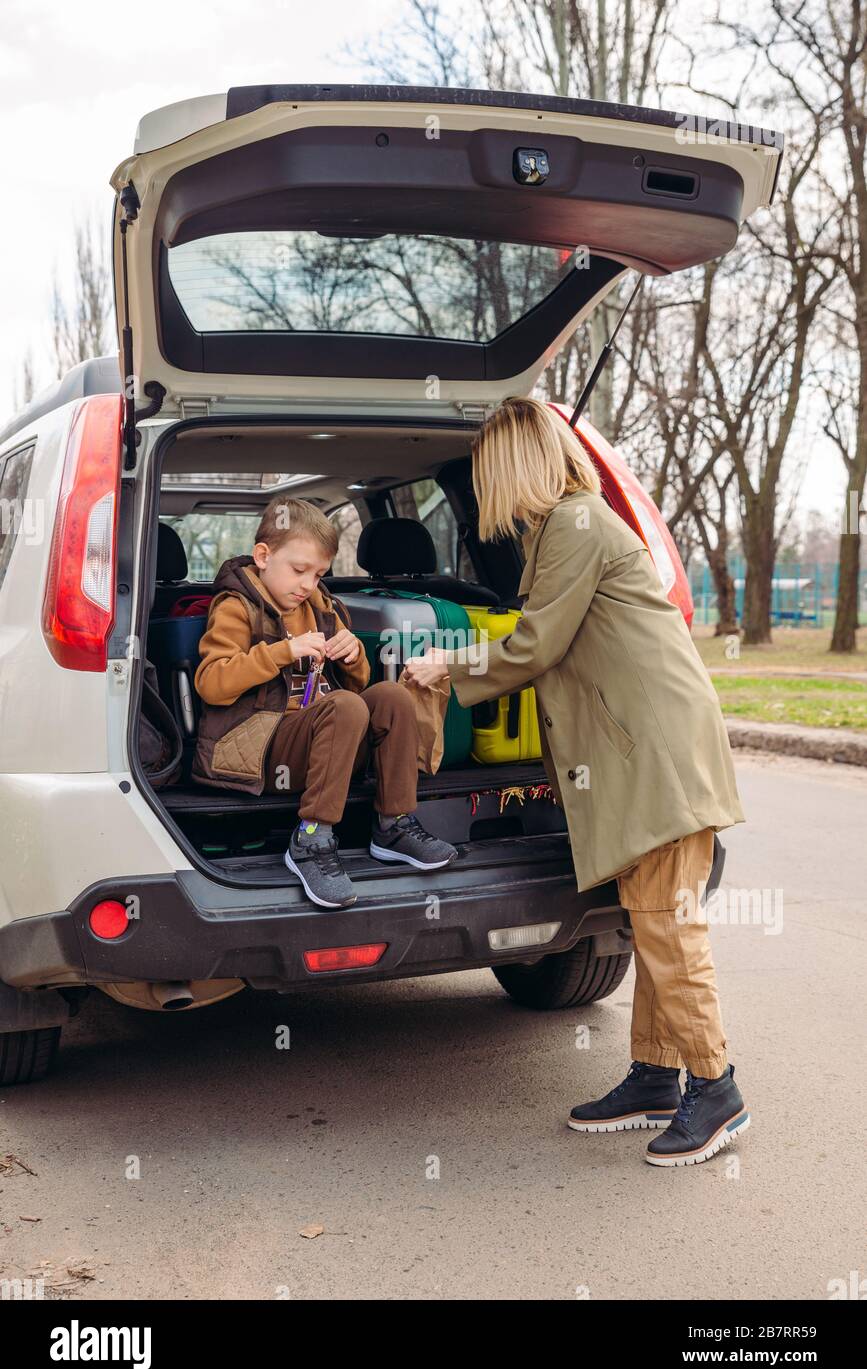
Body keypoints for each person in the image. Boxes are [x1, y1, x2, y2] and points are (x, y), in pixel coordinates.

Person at [405, 397, 750, 1168]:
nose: (486, 489)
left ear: (513, 465)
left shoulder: (576, 524)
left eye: (487, 473)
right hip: (643, 753)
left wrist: (443, 666)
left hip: (655, 754)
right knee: (651, 917)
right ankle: (659, 1075)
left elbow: (534, 645)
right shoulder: (566, 526)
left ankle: (716, 1088)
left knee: (667, 921)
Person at [191, 496, 458, 909]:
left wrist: (353, 657)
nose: (307, 584)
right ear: (263, 556)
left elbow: (358, 683)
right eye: (299, 570)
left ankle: (393, 824)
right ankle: (312, 839)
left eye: (318, 574)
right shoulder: (236, 607)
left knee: (390, 695)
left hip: (329, 742)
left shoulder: (324, 607)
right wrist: (283, 650)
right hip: (264, 746)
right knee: (347, 707)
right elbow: (212, 684)